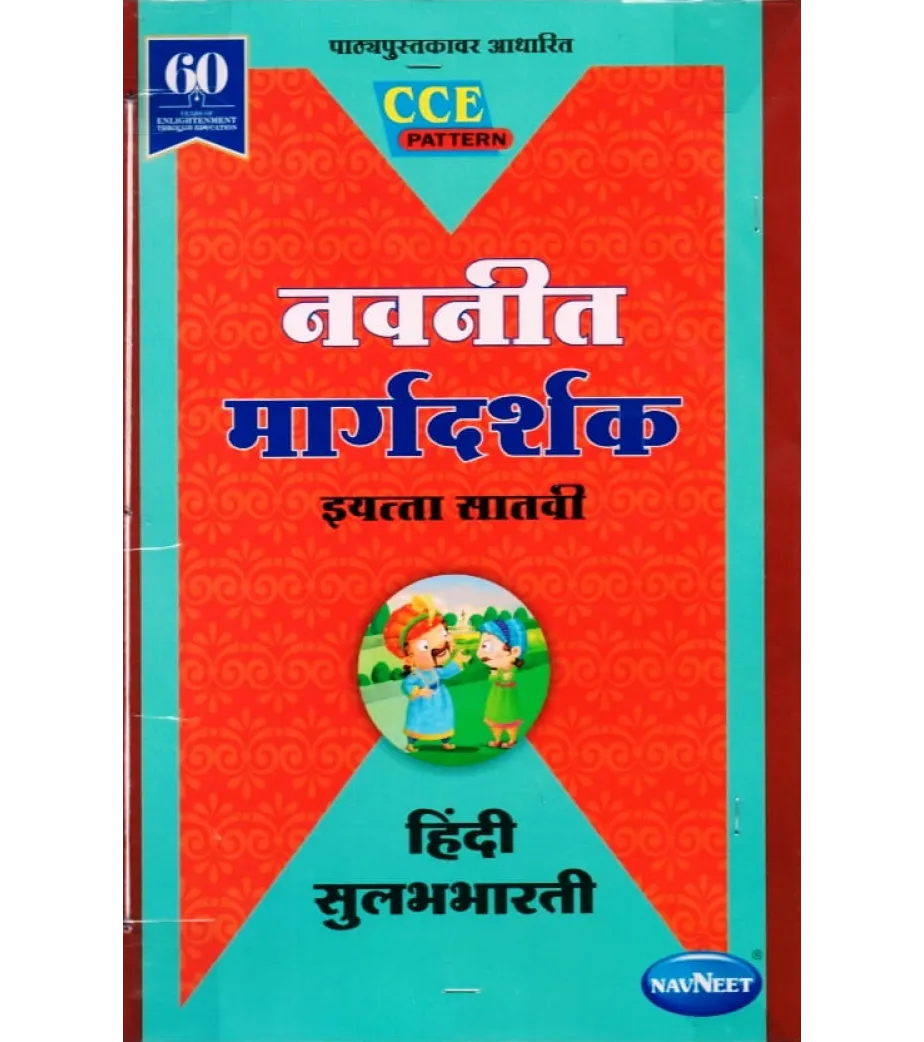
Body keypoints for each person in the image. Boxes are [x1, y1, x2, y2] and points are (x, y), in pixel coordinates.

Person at [383, 595, 470, 753]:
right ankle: (411, 743)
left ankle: (445, 741)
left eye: (444, 635)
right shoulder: (416, 675)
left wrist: (458, 662)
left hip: (440, 700)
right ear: (409, 658)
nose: (441, 647)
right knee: (418, 722)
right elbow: (407, 685)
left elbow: (444, 672)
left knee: (443, 719)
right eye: (424, 646)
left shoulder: (436, 670)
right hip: (422, 703)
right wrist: (417, 691)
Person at [477, 617, 527, 748]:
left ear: (514, 651)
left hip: (507, 696)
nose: (480, 653)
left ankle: (512, 740)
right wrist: (495, 675)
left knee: (509, 716)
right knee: (494, 717)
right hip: (496, 695)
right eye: (482, 646)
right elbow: (493, 679)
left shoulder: (511, 670)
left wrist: (496, 675)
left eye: (487, 646)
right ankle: (497, 739)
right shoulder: (497, 670)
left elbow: (505, 678)